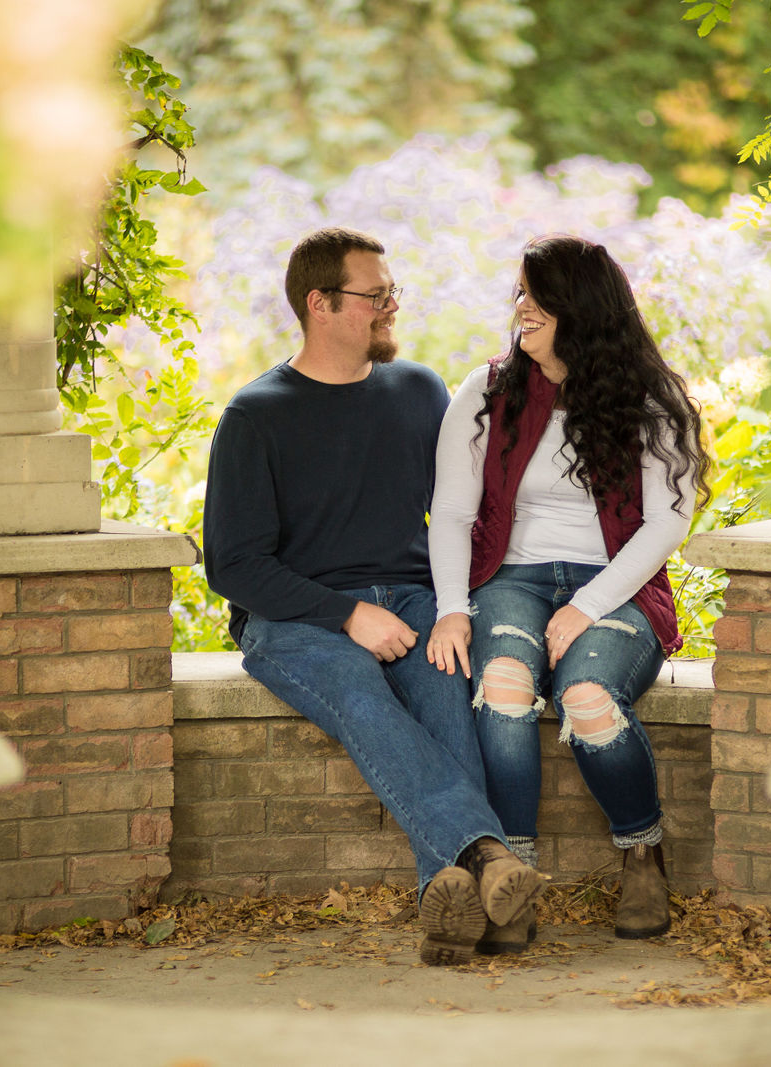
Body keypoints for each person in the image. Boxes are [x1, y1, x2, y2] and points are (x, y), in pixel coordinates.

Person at [202, 227, 545, 966]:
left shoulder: (418, 390)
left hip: (413, 600)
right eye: (376, 295)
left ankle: (450, 906)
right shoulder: (256, 415)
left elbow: (460, 508)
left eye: (393, 292)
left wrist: (458, 604)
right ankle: (487, 854)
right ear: (320, 303)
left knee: (446, 690)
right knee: (359, 689)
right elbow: (232, 565)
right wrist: (348, 614)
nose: (393, 305)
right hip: (296, 616)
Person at [426, 234, 710, 951]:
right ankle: (512, 878)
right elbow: (452, 512)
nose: (520, 306)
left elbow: (667, 521)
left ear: (578, 306)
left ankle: (642, 853)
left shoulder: (651, 398)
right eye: (520, 292)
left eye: (536, 295)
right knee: (503, 682)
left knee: (588, 699)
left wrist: (587, 605)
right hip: (510, 576)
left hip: (615, 580)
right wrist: (452, 608)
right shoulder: (487, 391)